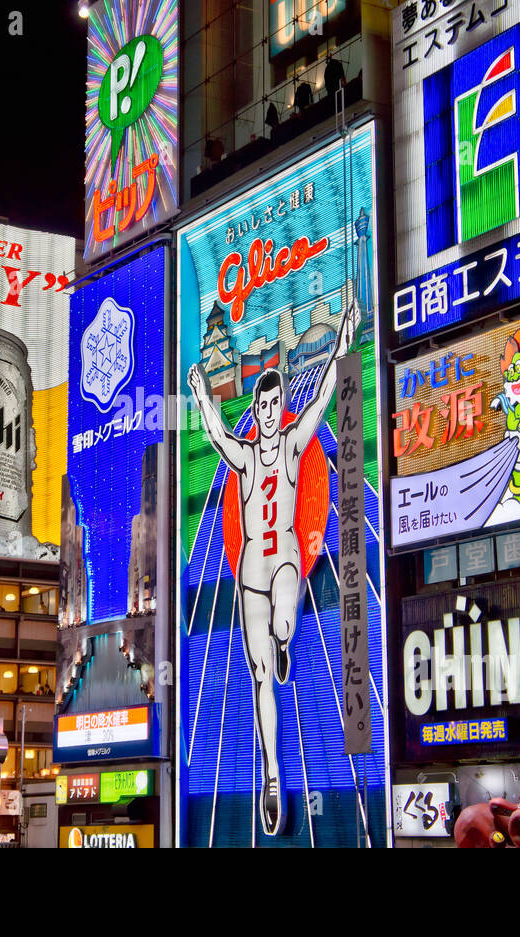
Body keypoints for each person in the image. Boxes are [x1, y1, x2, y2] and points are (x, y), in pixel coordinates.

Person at [186, 300, 359, 836]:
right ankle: (271, 772)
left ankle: (286, 638)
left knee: (286, 614)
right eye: (261, 405)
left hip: (285, 557)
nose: (266, 412)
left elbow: (326, 395)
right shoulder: (241, 454)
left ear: (279, 406)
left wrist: (345, 339)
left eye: (273, 403)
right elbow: (215, 435)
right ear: (255, 411)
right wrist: (198, 392)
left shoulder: (288, 448)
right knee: (260, 675)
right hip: (248, 573)